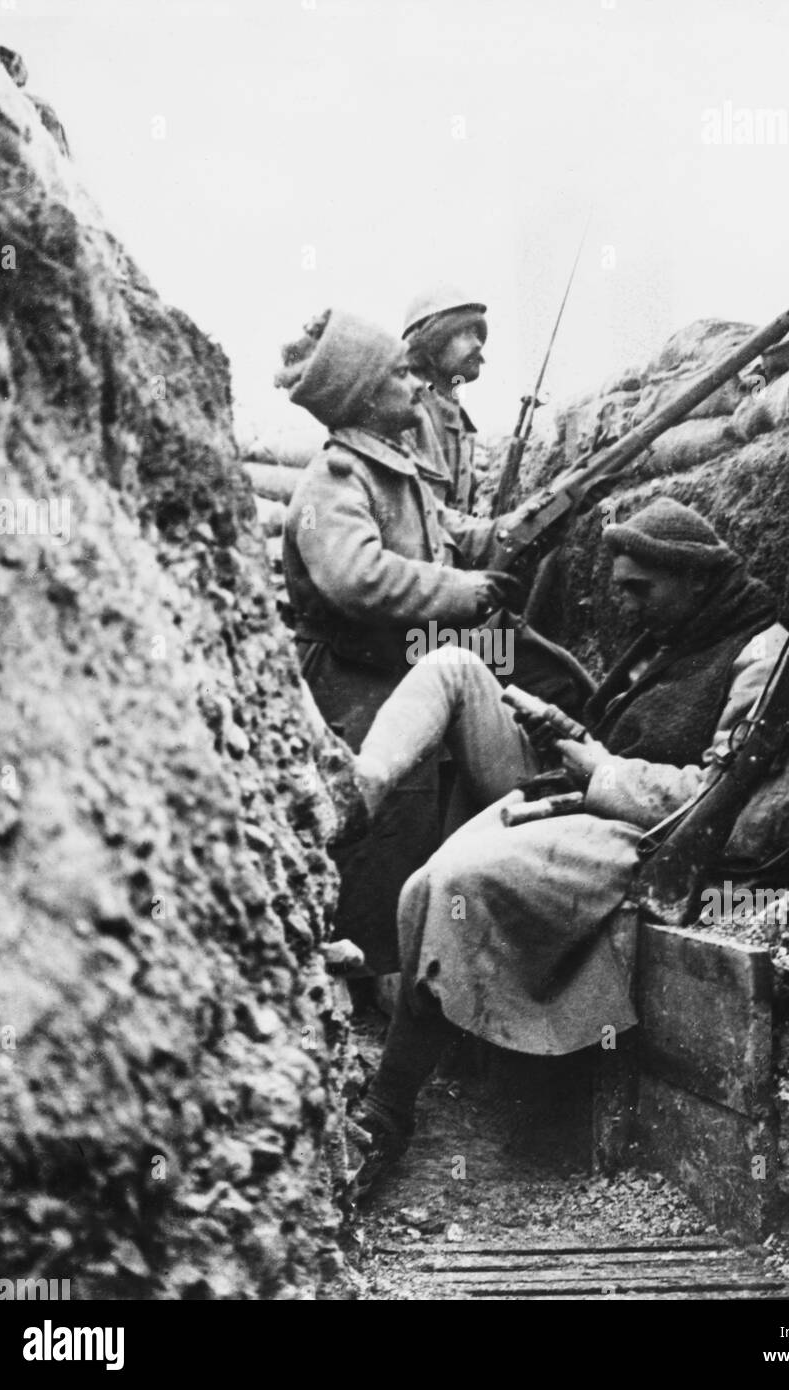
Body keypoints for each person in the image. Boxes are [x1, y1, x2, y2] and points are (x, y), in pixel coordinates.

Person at [350, 497, 789, 1186]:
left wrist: (602, 772)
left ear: (696, 579)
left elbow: (730, 805)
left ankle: (387, 1112)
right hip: (595, 796)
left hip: (648, 834)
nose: (625, 606)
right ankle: (356, 793)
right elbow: (639, 736)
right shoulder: (675, 635)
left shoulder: (758, 654)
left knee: (454, 883)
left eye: (638, 589)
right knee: (428, 854)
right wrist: (571, 737)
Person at [274, 309, 522, 972]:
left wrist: (514, 529)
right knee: (368, 828)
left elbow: (449, 531)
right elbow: (357, 579)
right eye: (402, 373)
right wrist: (461, 592)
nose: (418, 384)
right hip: (344, 684)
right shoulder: (337, 479)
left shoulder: (391, 472)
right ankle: (352, 989)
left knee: (408, 827)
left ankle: (387, 982)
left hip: (391, 676)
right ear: (364, 394)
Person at [402, 287, 487, 513]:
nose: (478, 344)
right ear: (430, 343)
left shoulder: (457, 419)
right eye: (464, 332)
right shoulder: (407, 415)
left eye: (477, 333)